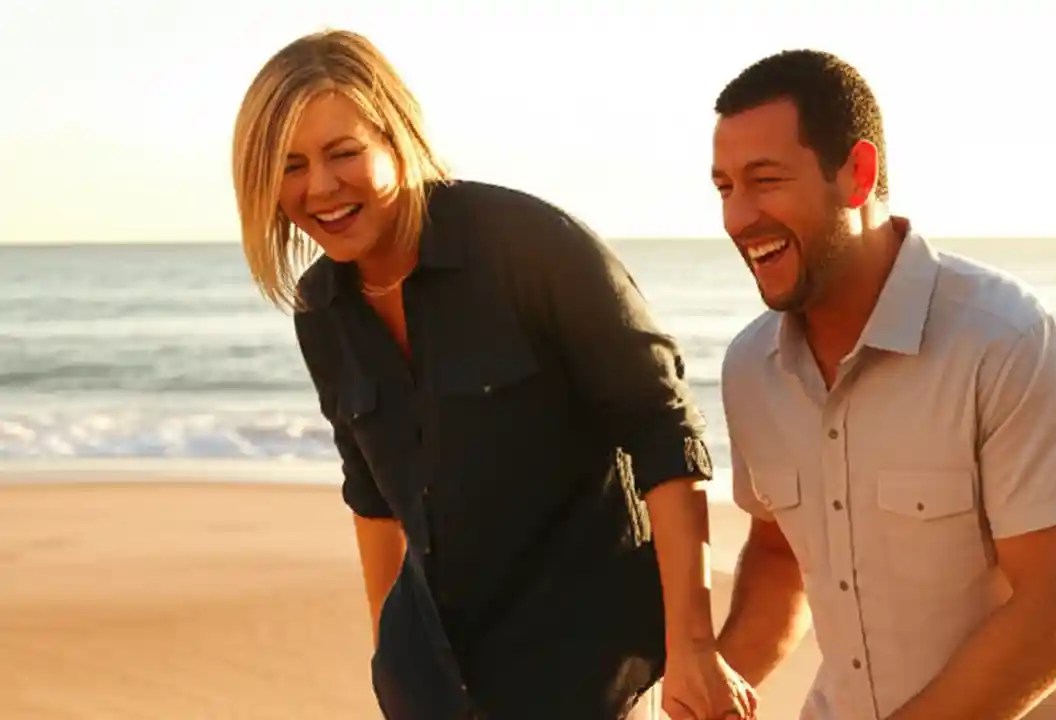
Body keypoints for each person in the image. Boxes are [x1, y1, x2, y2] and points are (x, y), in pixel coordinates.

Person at [230, 29, 755, 720]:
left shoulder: (529, 247)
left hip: (593, 681)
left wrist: (693, 646)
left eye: (344, 153)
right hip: (436, 694)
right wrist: (389, 665)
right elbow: (373, 498)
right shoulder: (322, 311)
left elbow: (665, 430)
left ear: (396, 137)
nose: (320, 187)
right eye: (290, 165)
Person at [710, 49, 1056, 719]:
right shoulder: (750, 370)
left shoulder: (1014, 346)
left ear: (858, 173)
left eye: (765, 180)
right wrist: (709, 696)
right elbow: (780, 553)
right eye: (725, 188)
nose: (738, 217)